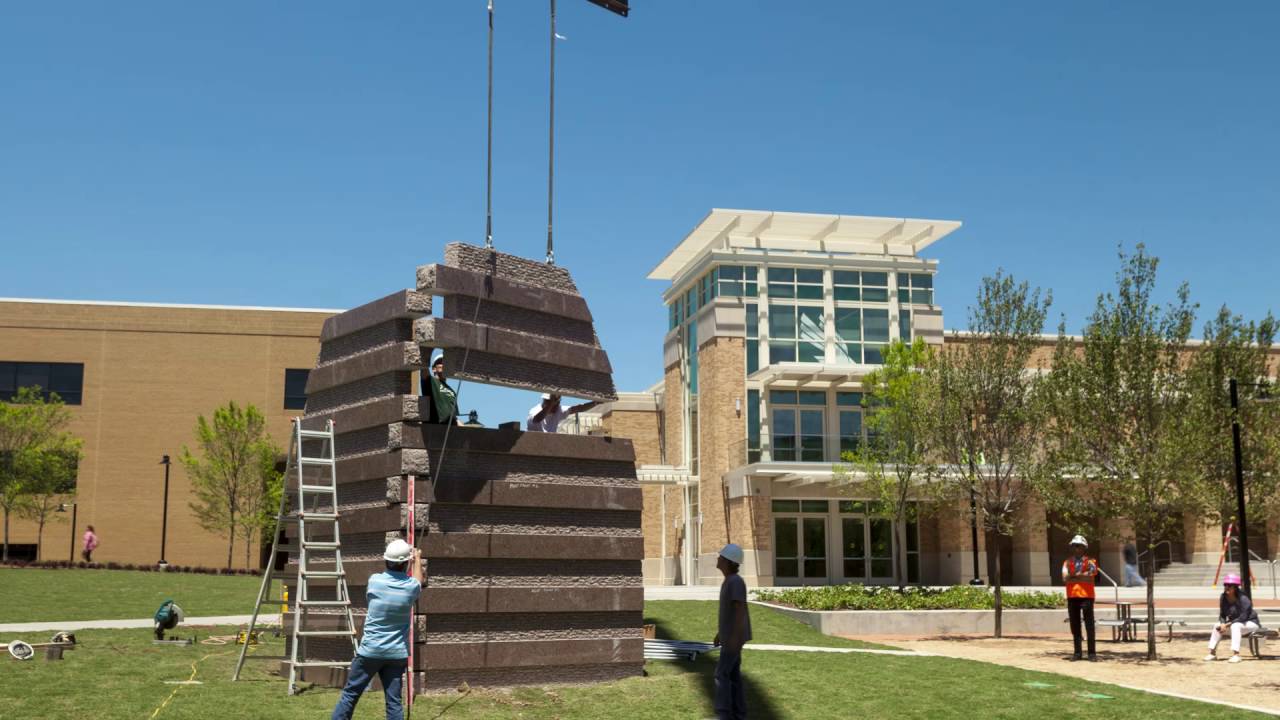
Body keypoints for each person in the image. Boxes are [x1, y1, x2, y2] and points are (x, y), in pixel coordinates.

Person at [331, 539, 424, 720]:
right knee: (394, 702)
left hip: (370, 652)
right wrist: (418, 558)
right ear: (406, 563)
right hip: (397, 654)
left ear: (386, 561)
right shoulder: (411, 587)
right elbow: (419, 581)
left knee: (350, 695)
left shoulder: (375, 581)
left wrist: (408, 561)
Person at [712, 543, 752, 720]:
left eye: (721, 557)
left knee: (721, 674)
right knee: (733, 676)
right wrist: (721, 633)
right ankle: (739, 714)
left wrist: (735, 637)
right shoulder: (729, 581)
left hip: (734, 639)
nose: (718, 558)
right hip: (730, 637)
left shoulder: (735, 582)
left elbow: (739, 609)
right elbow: (730, 612)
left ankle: (724, 715)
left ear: (728, 561)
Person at [1205, 573, 1260, 663]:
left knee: (1236, 626)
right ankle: (1212, 653)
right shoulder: (1223, 597)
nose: (1227, 587)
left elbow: (1244, 617)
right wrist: (1222, 623)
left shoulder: (1243, 598)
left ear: (1235, 587)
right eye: (1225, 585)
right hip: (1235, 623)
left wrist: (1226, 624)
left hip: (1250, 623)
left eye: (1229, 585)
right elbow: (1222, 614)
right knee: (1217, 625)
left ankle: (1236, 655)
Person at [1062, 534, 1098, 662]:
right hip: (1072, 596)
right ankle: (1077, 653)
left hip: (1087, 596)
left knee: (1089, 625)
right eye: (1074, 546)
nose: (1076, 549)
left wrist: (1075, 576)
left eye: (1079, 546)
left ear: (1084, 548)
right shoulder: (1067, 562)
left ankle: (1092, 653)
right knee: (1075, 625)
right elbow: (1065, 577)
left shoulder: (1090, 561)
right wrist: (1081, 576)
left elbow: (1092, 574)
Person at [525, 393, 598, 432]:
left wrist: (595, 403)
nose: (557, 405)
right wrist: (551, 404)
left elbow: (578, 408)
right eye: (553, 403)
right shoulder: (535, 410)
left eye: (558, 403)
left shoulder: (559, 410)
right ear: (545, 402)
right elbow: (537, 419)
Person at [421, 354, 458, 425]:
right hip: (435, 428)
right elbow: (423, 367)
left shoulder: (452, 391)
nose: (444, 365)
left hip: (450, 430)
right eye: (441, 362)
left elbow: (454, 417)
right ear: (434, 369)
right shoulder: (430, 381)